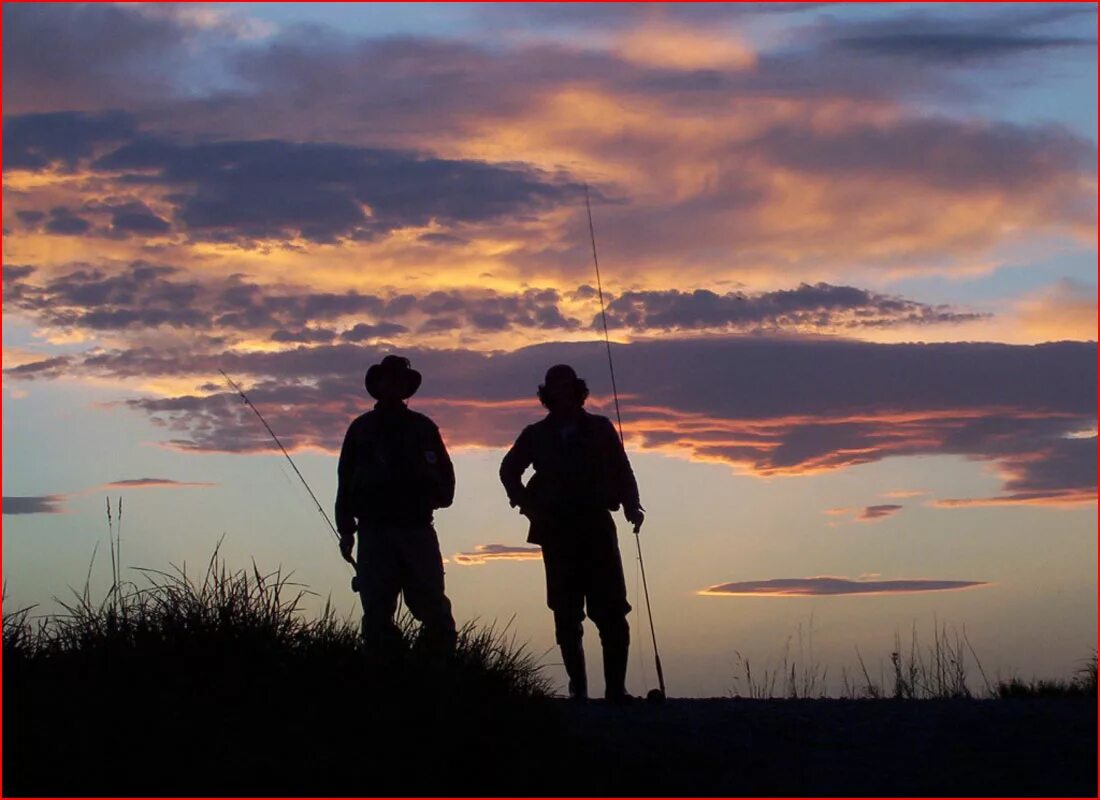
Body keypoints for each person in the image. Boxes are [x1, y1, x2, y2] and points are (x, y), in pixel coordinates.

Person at [500, 364, 644, 703]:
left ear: (577, 392)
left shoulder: (600, 428)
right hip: (556, 530)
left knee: (611, 611)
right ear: (547, 396)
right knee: (565, 612)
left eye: (567, 388)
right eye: (556, 390)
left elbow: (622, 470)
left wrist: (632, 506)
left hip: (596, 524)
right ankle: (578, 689)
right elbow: (509, 470)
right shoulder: (535, 434)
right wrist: (526, 504)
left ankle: (615, 690)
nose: (562, 395)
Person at [335, 355, 457, 657]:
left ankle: (434, 669)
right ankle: (389, 671)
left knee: (432, 604)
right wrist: (347, 529)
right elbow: (345, 481)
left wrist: (431, 497)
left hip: (417, 529)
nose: (393, 386)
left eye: (399, 381)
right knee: (376, 609)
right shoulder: (361, 429)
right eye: (388, 380)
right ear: (377, 386)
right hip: (374, 532)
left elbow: (446, 478)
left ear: (407, 388)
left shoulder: (423, 428)